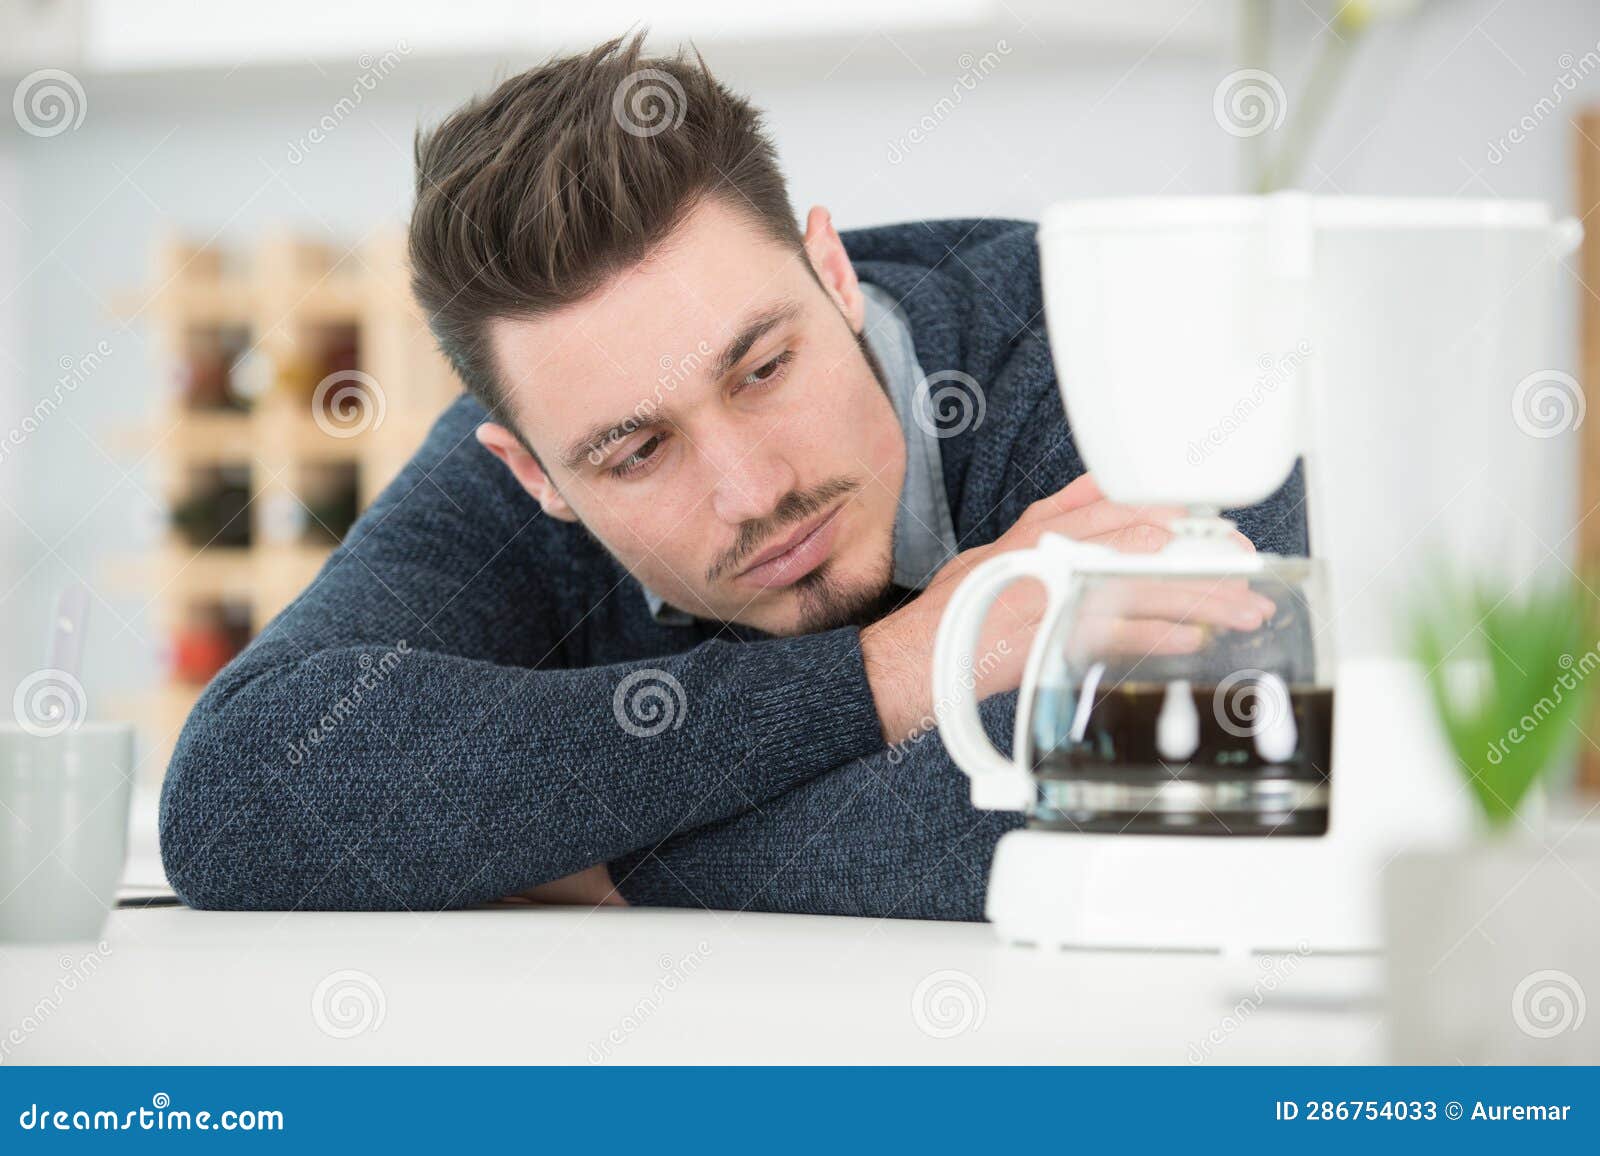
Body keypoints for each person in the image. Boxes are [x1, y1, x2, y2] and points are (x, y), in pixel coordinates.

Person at [159, 33, 1306, 920]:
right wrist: (900, 670)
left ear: (831, 272)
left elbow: (1191, 781)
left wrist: (598, 856)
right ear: (534, 472)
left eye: (761, 368)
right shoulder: (529, 449)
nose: (751, 489)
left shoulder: (1107, 349)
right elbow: (243, 795)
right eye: (638, 451)